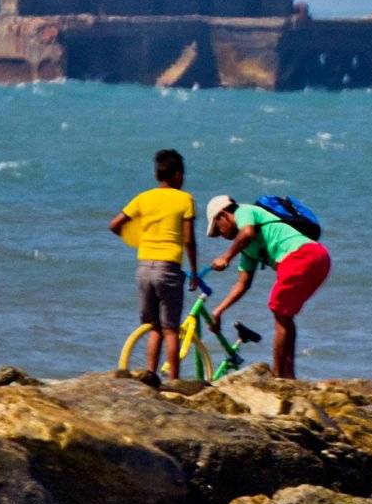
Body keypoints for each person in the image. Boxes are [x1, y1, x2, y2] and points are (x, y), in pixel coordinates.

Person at [205, 193, 330, 379]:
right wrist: (218, 311)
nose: (221, 236)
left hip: (303, 255)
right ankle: (288, 376)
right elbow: (243, 283)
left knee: (278, 308)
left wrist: (226, 257)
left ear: (223, 215)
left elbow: (246, 233)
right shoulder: (248, 250)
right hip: (318, 258)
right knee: (284, 315)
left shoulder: (244, 211)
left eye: (218, 229)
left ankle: (278, 376)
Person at [108, 149, 198, 380]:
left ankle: (150, 374)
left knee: (153, 327)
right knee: (171, 330)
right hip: (168, 268)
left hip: (143, 268)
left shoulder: (143, 197)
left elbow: (115, 224)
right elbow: (188, 239)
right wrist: (195, 272)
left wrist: (135, 240)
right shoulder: (185, 199)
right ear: (178, 175)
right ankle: (174, 381)